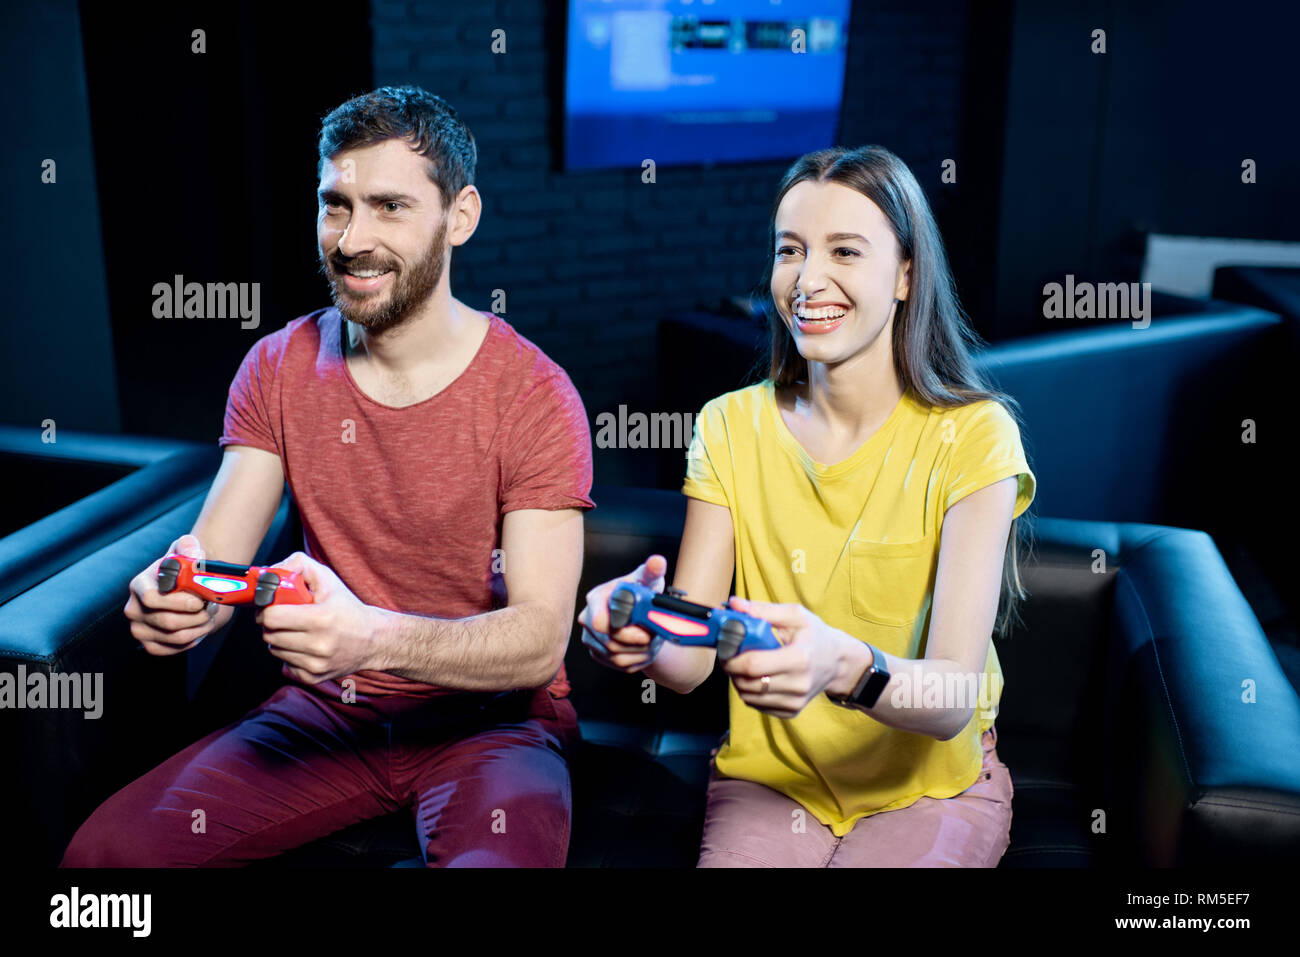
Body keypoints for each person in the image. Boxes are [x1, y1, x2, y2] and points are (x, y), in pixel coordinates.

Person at [61, 86, 592, 868]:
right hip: (328, 713)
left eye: (388, 207)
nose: (352, 239)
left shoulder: (536, 394)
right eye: (335, 205)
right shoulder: (276, 366)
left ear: (462, 216)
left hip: (492, 724)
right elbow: (212, 563)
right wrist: (178, 603)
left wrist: (371, 637)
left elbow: (538, 640)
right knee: (103, 862)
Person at [580, 145, 1037, 867]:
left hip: (929, 789)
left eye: (845, 251)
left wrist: (844, 665)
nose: (808, 278)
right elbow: (692, 658)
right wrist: (637, 634)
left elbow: (954, 691)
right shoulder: (728, 425)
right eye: (790, 250)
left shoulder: (974, 435)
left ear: (906, 275)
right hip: (773, 783)